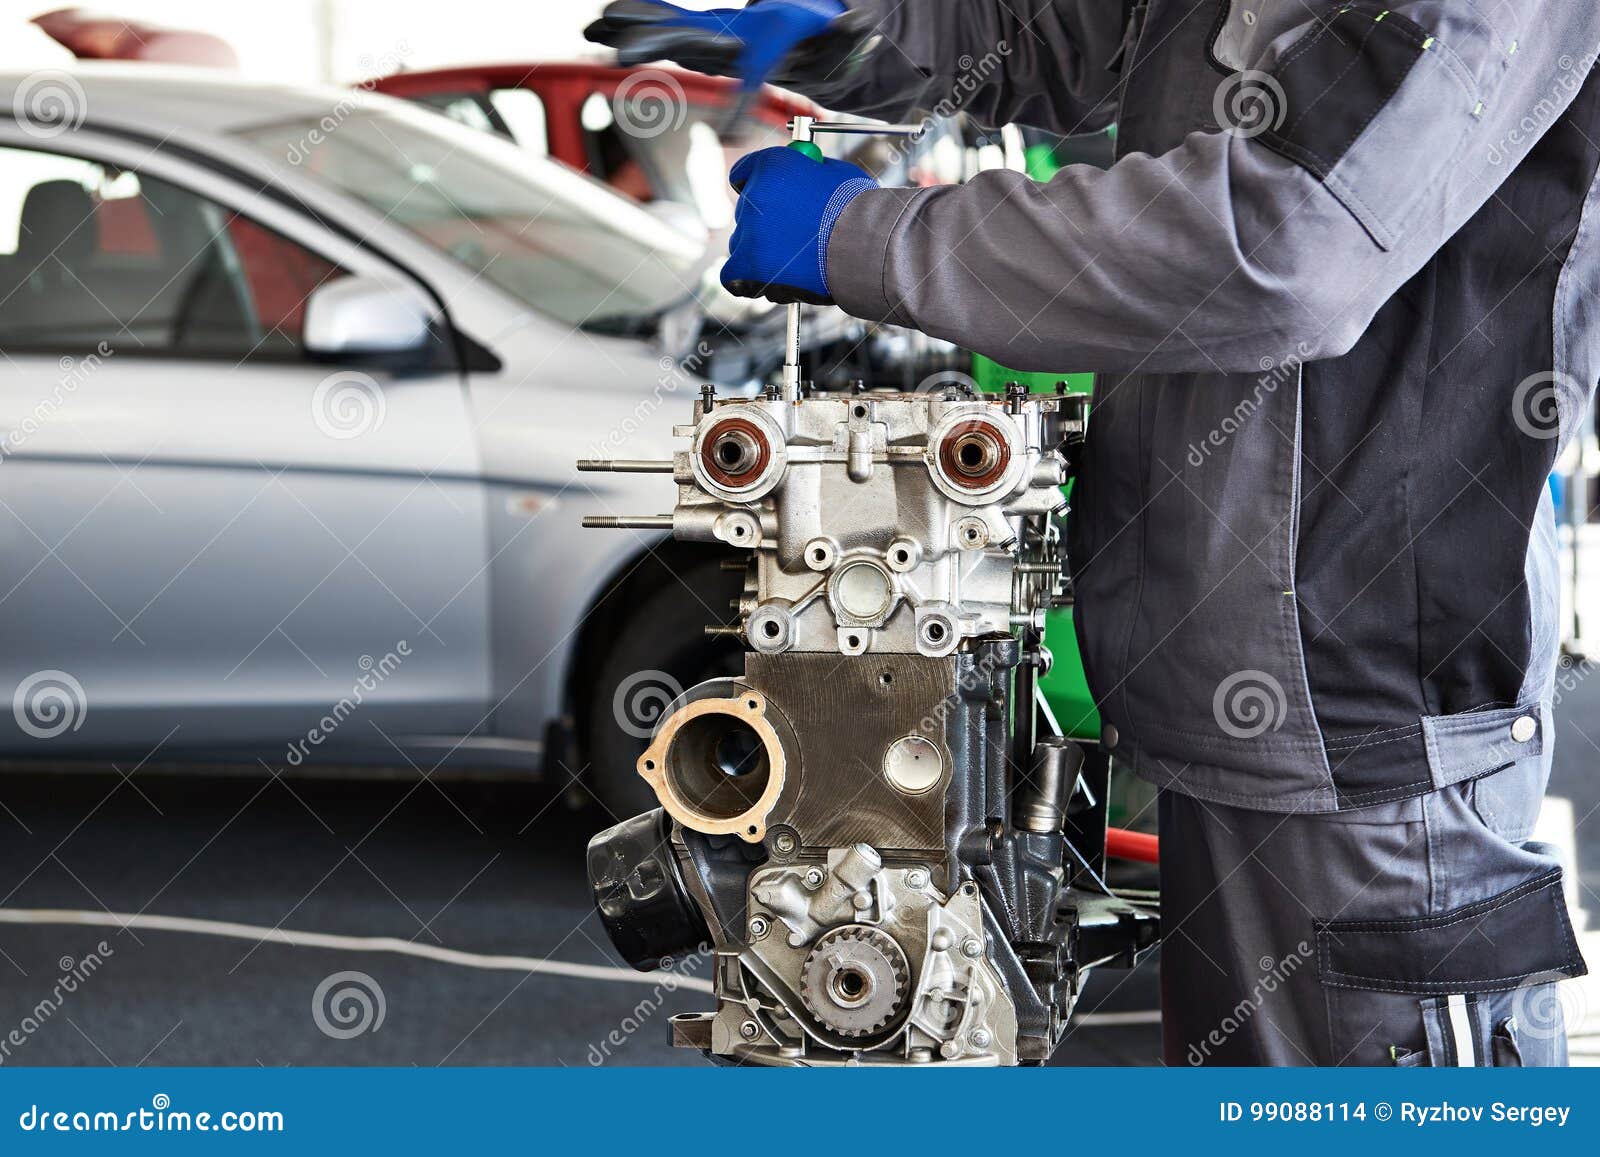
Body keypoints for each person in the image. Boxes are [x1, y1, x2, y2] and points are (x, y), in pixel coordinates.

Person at [588, 0, 1596, 1066]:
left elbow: (1285, 240)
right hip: (1219, 699)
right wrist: (865, 29)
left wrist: (867, 238)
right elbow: (1068, 36)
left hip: (1365, 720)